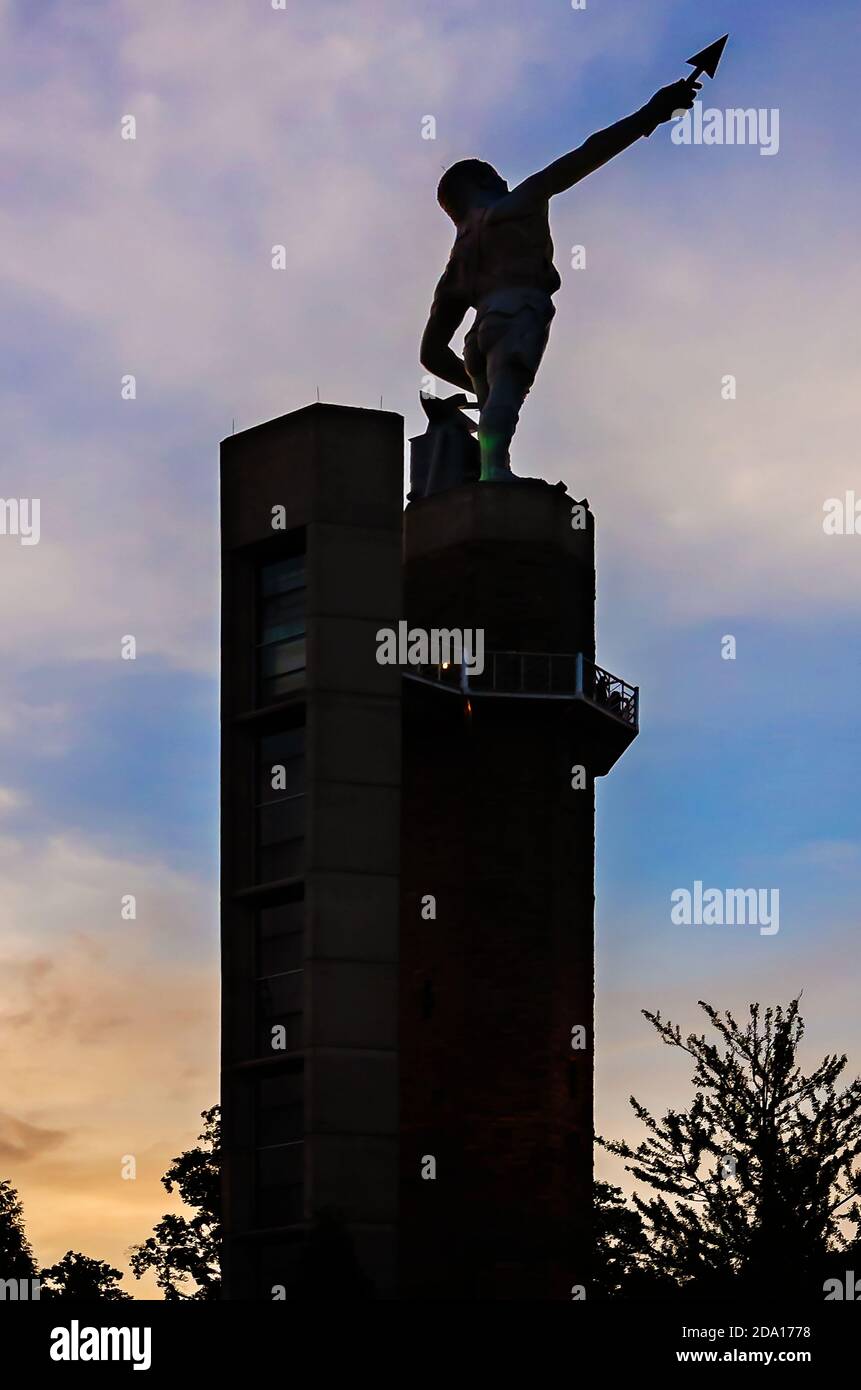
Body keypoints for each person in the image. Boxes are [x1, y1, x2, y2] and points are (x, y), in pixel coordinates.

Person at [420, 77, 701, 481]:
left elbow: (431, 353)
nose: (505, 182)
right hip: (520, 311)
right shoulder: (517, 205)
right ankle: (495, 473)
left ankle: (494, 469)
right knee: (506, 399)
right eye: (497, 177)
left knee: (499, 400)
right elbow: (586, 156)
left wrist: (473, 381)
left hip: (477, 334)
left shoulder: (457, 264)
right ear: (483, 183)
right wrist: (650, 114)